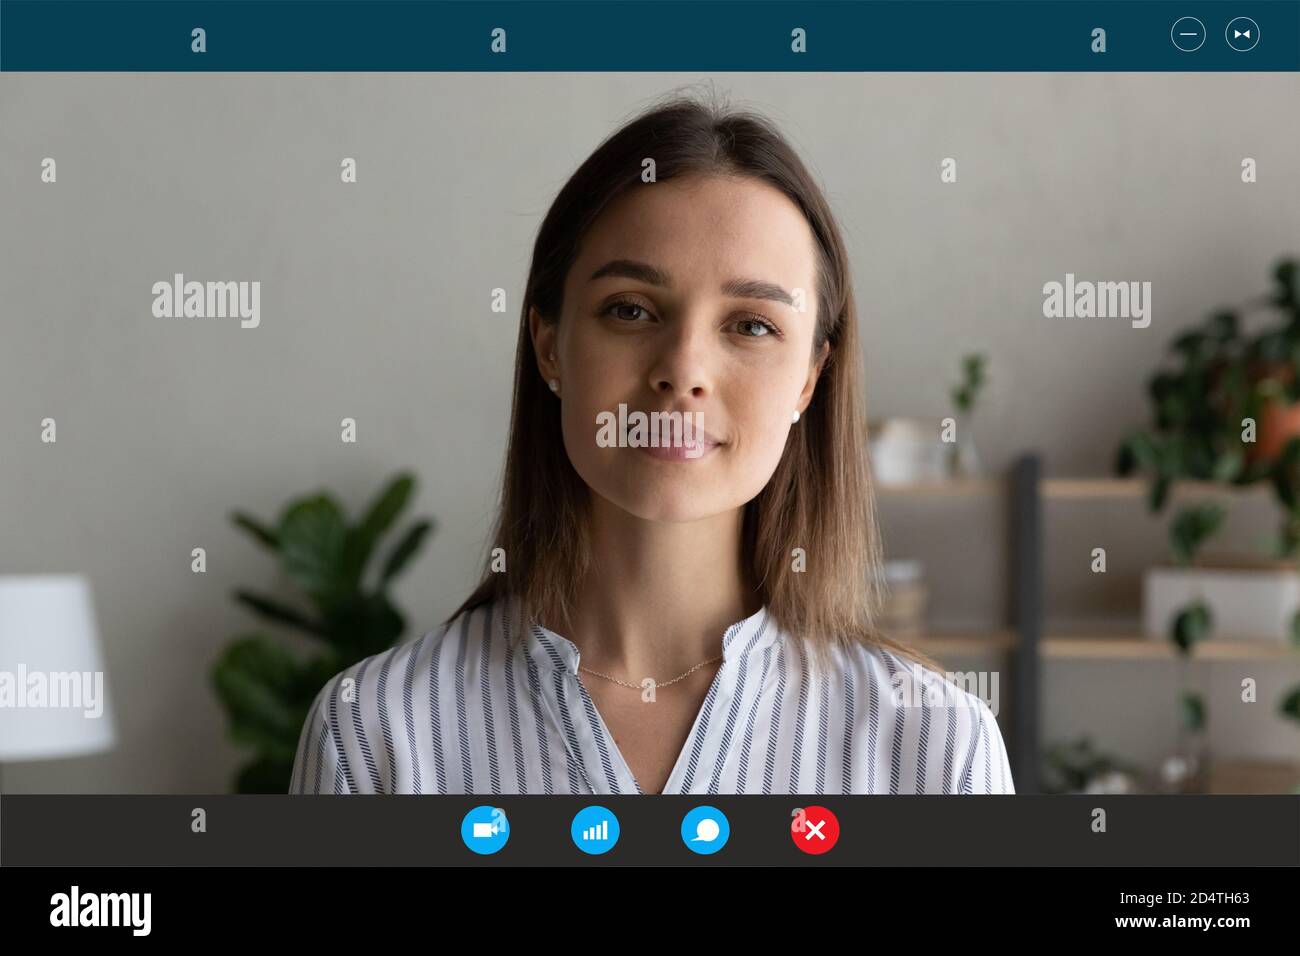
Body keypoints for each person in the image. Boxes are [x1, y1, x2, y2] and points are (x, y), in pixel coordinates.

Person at [290, 88, 1014, 796]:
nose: (682, 371)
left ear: (809, 379)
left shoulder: (938, 749)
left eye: (752, 324)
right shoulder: (375, 735)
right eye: (631, 310)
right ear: (550, 346)